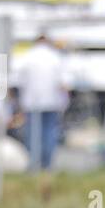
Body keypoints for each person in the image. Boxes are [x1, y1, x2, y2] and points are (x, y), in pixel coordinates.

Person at [16, 35, 70, 171]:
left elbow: (19, 80)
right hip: (52, 101)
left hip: (31, 101)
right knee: (49, 132)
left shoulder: (27, 57)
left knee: (32, 133)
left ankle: (33, 162)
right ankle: (47, 164)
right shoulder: (55, 57)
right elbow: (63, 82)